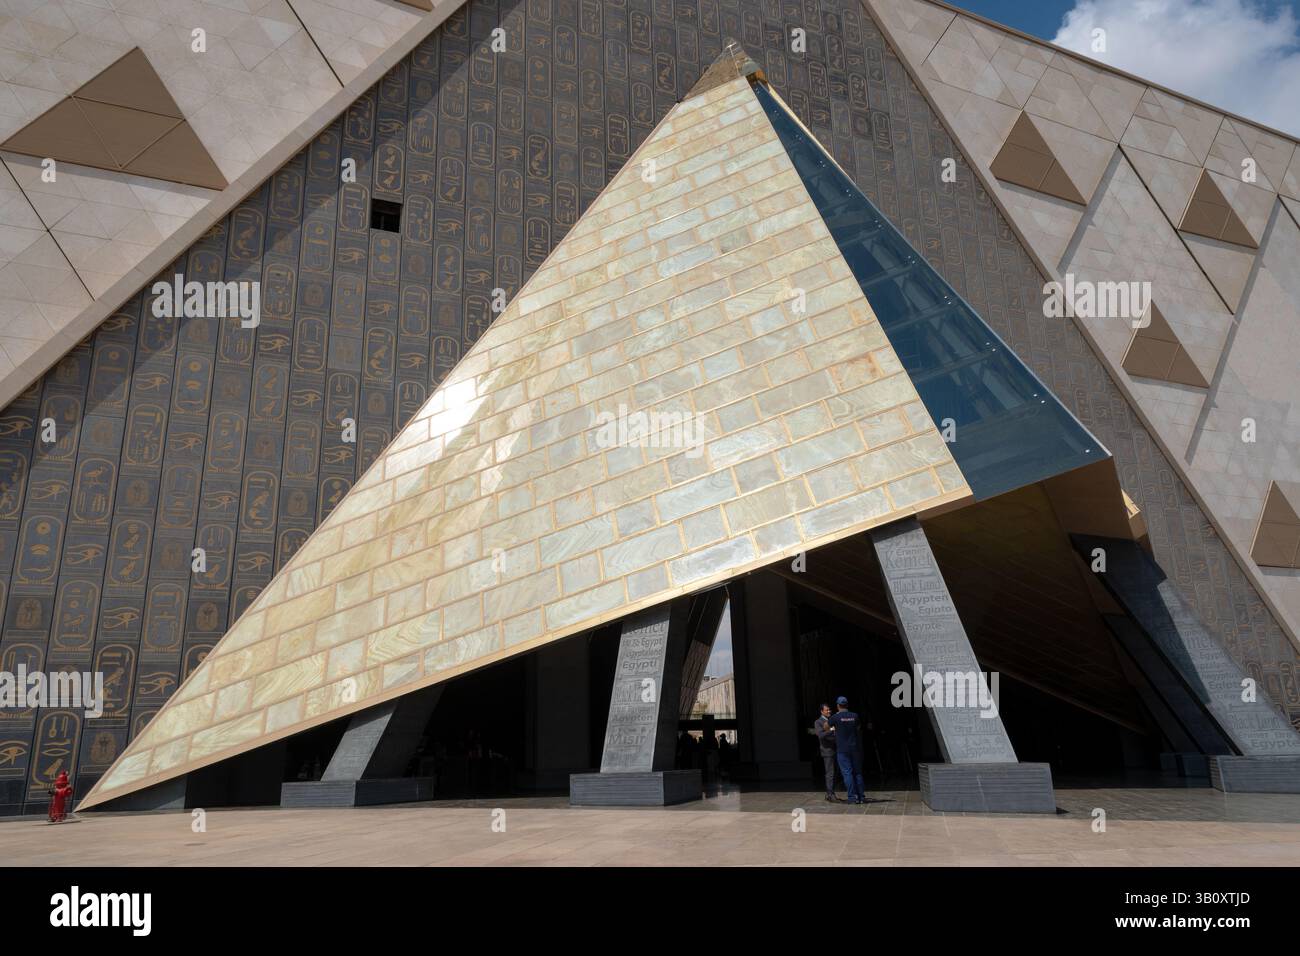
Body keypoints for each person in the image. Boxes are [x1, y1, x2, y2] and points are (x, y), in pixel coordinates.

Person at [829, 696, 865, 805]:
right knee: (858, 773)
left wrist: (834, 728)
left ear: (838, 706)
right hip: (855, 748)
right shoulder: (855, 716)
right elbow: (858, 729)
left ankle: (852, 797)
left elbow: (826, 726)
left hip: (843, 750)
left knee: (847, 773)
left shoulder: (835, 717)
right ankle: (861, 797)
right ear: (847, 705)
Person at [814, 703, 840, 802]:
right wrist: (832, 730)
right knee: (830, 773)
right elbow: (821, 735)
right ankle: (830, 794)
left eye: (829, 710)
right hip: (827, 751)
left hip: (836, 749)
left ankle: (829, 793)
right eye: (827, 710)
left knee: (835, 773)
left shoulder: (832, 720)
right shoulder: (818, 722)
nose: (829, 711)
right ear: (822, 711)